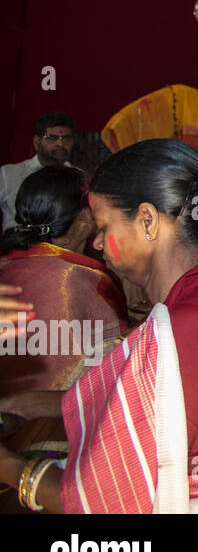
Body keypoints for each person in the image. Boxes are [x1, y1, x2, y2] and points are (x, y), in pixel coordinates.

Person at [0, 139, 198, 512]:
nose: (96, 243)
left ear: (147, 220)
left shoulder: (187, 322)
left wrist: (9, 467)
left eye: (103, 225)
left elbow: (97, 498)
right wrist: (41, 403)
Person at [0, 167, 128, 400]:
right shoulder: (81, 279)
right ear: (82, 220)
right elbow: (115, 365)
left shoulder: (6, 264)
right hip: (55, 425)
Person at [1, 113, 77, 232]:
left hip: (59, 250)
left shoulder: (78, 177)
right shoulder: (9, 173)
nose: (61, 144)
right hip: (17, 247)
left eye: (66, 138)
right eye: (52, 138)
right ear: (37, 142)